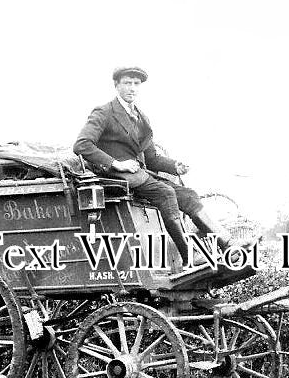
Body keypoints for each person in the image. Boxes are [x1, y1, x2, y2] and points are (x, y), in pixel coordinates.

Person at [73, 66, 253, 269]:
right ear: (116, 85)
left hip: (140, 175)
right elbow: (82, 145)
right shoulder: (104, 112)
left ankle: (227, 243)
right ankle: (189, 256)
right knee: (166, 193)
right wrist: (116, 163)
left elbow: (151, 158)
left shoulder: (141, 117)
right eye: (127, 83)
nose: (132, 88)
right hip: (117, 176)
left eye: (136, 84)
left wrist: (175, 166)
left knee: (188, 195)